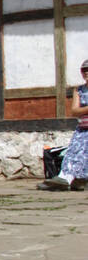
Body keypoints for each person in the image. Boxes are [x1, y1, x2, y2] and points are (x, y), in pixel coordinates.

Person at [38, 59, 88, 191]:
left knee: (84, 154)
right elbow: (74, 111)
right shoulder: (79, 90)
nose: (87, 73)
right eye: (84, 70)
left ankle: (77, 179)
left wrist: (83, 109)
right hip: (82, 129)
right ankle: (64, 177)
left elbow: (79, 109)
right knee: (73, 152)